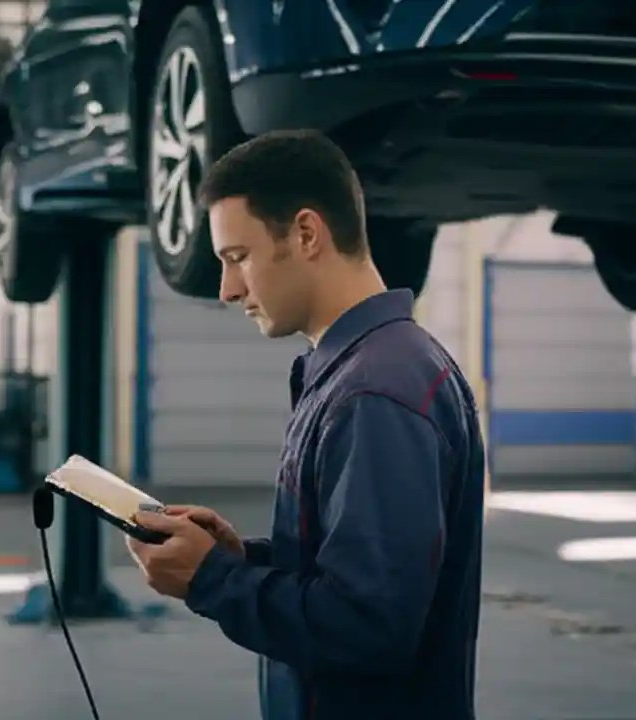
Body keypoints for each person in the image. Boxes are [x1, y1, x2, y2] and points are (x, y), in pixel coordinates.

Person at [126, 129, 487, 720]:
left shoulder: (376, 391)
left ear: (306, 233)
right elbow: (351, 572)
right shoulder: (365, 370)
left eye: (237, 257)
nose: (227, 289)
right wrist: (243, 559)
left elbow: (368, 625)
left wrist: (213, 580)